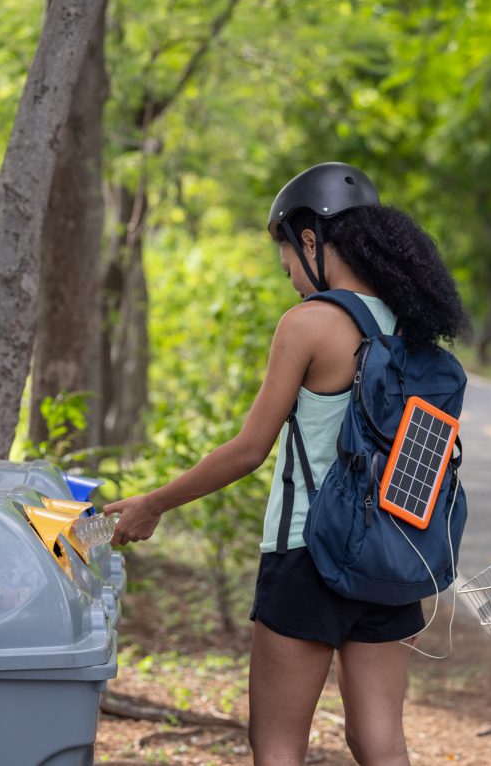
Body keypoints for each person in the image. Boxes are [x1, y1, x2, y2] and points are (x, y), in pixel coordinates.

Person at [104, 161, 470, 765]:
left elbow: (250, 449)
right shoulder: (414, 329)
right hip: (391, 553)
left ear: (311, 239)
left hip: (306, 554)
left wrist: (153, 503)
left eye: (291, 267)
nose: (295, 283)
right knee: (380, 742)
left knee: (277, 745)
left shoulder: (310, 323)